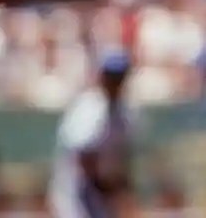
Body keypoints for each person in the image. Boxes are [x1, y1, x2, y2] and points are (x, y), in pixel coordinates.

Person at [48, 51, 140, 218]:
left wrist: (120, 190)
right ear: (102, 76)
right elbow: (82, 157)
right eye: (112, 76)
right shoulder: (88, 107)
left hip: (103, 191)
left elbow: (125, 155)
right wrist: (107, 187)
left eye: (119, 77)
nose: (116, 82)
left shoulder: (125, 111)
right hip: (76, 191)